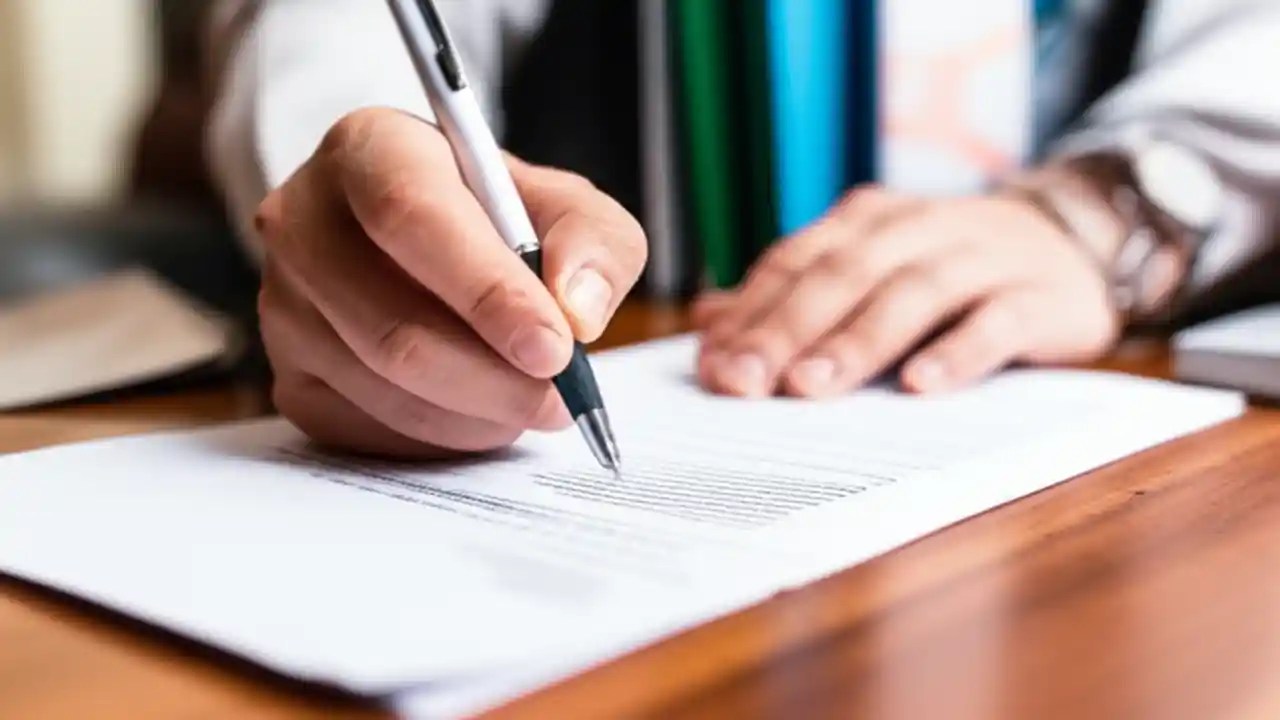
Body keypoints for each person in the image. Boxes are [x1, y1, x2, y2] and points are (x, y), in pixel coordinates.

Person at [205, 0, 1280, 458]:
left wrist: (1114, 208)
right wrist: (366, 177)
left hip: (1111, 349)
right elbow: (341, 29)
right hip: (636, 324)